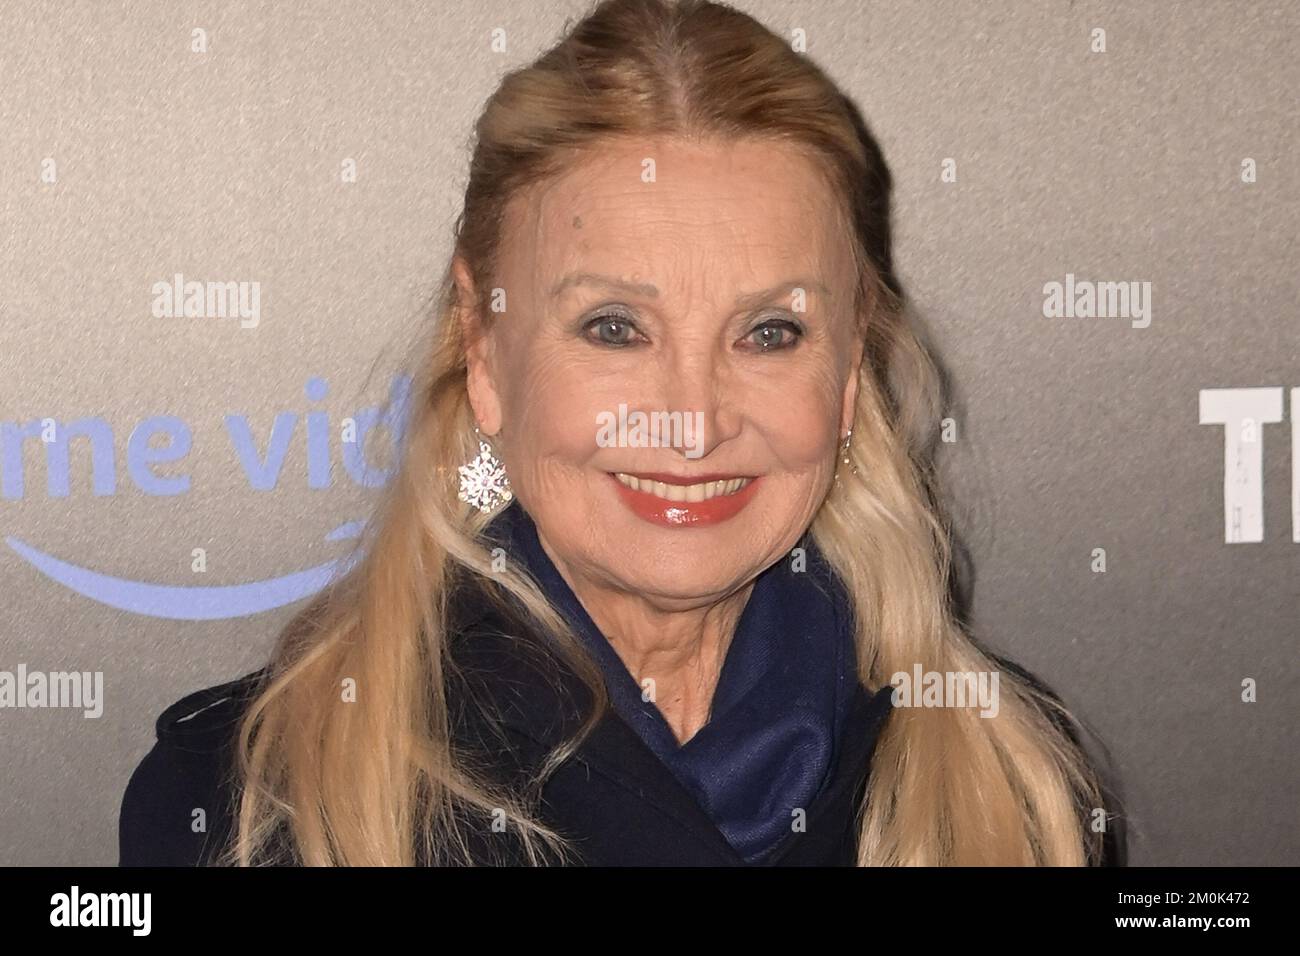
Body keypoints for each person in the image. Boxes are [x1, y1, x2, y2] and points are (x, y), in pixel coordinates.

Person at [120, 0, 1119, 867]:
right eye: (614, 327)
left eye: (770, 331)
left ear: (849, 361)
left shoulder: (1011, 786)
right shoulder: (255, 801)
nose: (692, 419)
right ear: (483, 344)